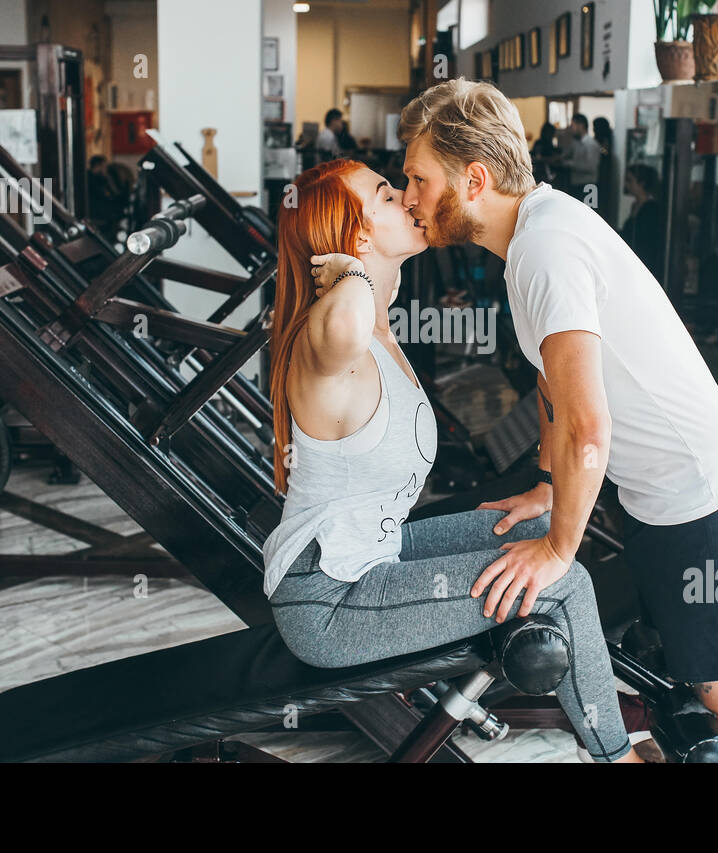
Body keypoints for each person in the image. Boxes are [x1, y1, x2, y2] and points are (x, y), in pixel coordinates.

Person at [397, 79, 718, 762]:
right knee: (706, 700)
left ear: (473, 179)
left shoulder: (546, 250)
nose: (408, 197)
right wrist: (549, 485)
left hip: (707, 502)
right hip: (663, 503)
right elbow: (555, 390)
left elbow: (588, 426)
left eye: (418, 179)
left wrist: (556, 547)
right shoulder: (532, 237)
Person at [262, 157, 641, 763]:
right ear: (357, 237)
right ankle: (615, 756)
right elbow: (344, 324)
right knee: (563, 582)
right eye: (387, 196)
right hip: (331, 598)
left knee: (534, 531)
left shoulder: (379, 331)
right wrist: (356, 272)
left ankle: (594, 681)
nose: (407, 199)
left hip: (374, 556)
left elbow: (363, 314)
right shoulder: (332, 334)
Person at [620, 163, 665, 279]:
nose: (626, 185)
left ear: (641, 183)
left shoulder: (651, 208)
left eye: (630, 181)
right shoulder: (635, 205)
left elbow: (648, 241)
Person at [559, 113, 600, 204]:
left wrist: (569, 163)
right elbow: (565, 155)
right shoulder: (576, 143)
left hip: (588, 186)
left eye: (573, 125)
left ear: (580, 125)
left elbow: (590, 167)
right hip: (577, 185)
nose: (571, 128)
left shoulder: (591, 144)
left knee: (588, 215)